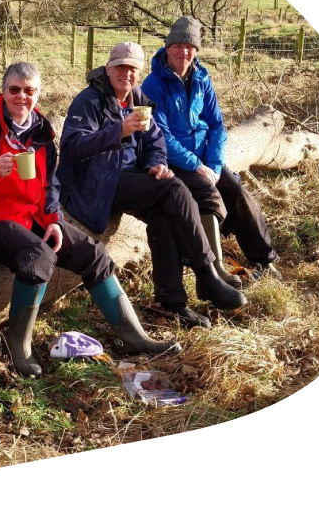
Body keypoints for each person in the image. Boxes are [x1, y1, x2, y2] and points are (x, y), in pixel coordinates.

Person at [0, 62, 180, 379]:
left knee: (94, 254)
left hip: (31, 214)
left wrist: (53, 219)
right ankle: (19, 346)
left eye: (29, 91)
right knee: (38, 258)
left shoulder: (42, 131)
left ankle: (133, 336)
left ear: (38, 94)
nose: (21, 97)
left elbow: (50, 184)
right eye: (14, 90)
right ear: (3, 91)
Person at [57, 42, 248, 330]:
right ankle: (206, 273)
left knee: (165, 210)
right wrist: (119, 131)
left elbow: (155, 140)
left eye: (133, 68)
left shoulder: (138, 97)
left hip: (130, 177)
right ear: (108, 69)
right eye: (121, 66)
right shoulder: (89, 100)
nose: (127, 73)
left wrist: (156, 163)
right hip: (94, 183)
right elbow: (71, 147)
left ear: (139, 72)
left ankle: (173, 302)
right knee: (173, 190)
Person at [140, 16, 280, 284]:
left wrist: (214, 166)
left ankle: (264, 257)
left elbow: (217, 125)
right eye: (178, 45)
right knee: (208, 195)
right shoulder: (153, 85)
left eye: (190, 47)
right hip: (175, 160)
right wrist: (196, 165)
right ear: (168, 48)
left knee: (237, 191)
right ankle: (215, 269)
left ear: (196, 50)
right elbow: (162, 135)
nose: (184, 52)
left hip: (206, 157)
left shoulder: (202, 79)